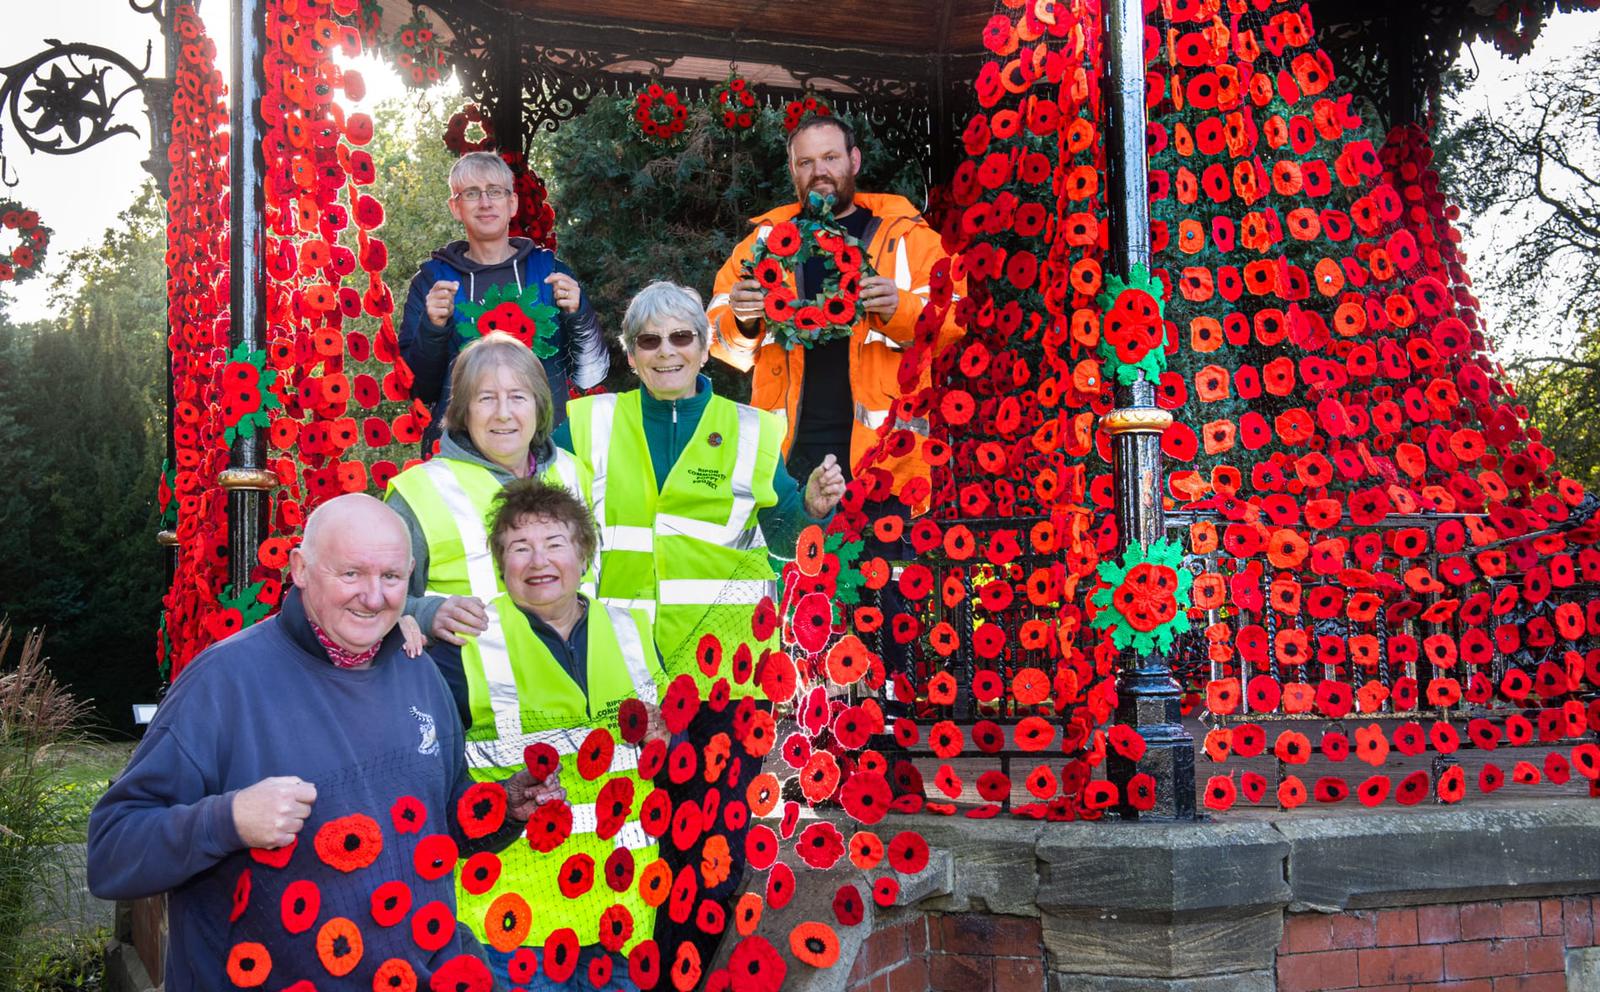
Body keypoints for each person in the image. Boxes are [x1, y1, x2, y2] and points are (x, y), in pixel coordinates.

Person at [86, 494, 560, 991]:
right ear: (300, 569)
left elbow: (441, 826)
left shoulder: (419, 670)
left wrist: (504, 809)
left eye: (392, 578)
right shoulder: (223, 682)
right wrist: (226, 820)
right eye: (351, 574)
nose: (374, 597)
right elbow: (111, 853)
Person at [556, 280, 846, 974]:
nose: (666, 352)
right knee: (622, 840)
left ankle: (681, 972)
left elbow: (780, 543)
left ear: (707, 347)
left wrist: (809, 509)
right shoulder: (585, 424)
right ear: (628, 353)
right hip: (618, 670)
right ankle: (623, 974)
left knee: (714, 842)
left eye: (681, 337)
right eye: (649, 341)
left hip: (725, 678)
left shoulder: (753, 430)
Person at [457, 478, 669, 990]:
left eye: (554, 544)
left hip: (622, 913)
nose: (538, 562)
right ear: (500, 564)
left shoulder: (632, 630)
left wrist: (665, 737)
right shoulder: (465, 644)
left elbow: (661, 748)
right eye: (519, 548)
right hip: (514, 927)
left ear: (584, 554)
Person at [707, 113, 962, 496]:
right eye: (806, 162)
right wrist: (742, 322)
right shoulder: (762, 242)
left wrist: (900, 308)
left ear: (854, 160)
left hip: (884, 460)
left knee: (877, 557)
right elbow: (716, 340)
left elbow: (955, 321)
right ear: (793, 169)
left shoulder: (909, 237)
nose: (819, 172)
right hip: (786, 458)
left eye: (830, 158)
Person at [387, 331, 589, 728]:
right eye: (486, 398)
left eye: (518, 396)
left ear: (538, 405)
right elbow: (373, 602)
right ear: (463, 410)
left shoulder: (575, 473)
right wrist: (425, 613)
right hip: (481, 717)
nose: (503, 413)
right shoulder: (418, 492)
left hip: (584, 699)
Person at [400, 151, 608, 452]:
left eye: (495, 192)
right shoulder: (433, 282)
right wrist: (432, 328)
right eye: (471, 193)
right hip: (463, 457)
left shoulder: (550, 274)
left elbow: (592, 375)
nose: (485, 203)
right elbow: (419, 388)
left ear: (512, 204)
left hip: (548, 450)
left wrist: (580, 316)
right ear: (455, 207)